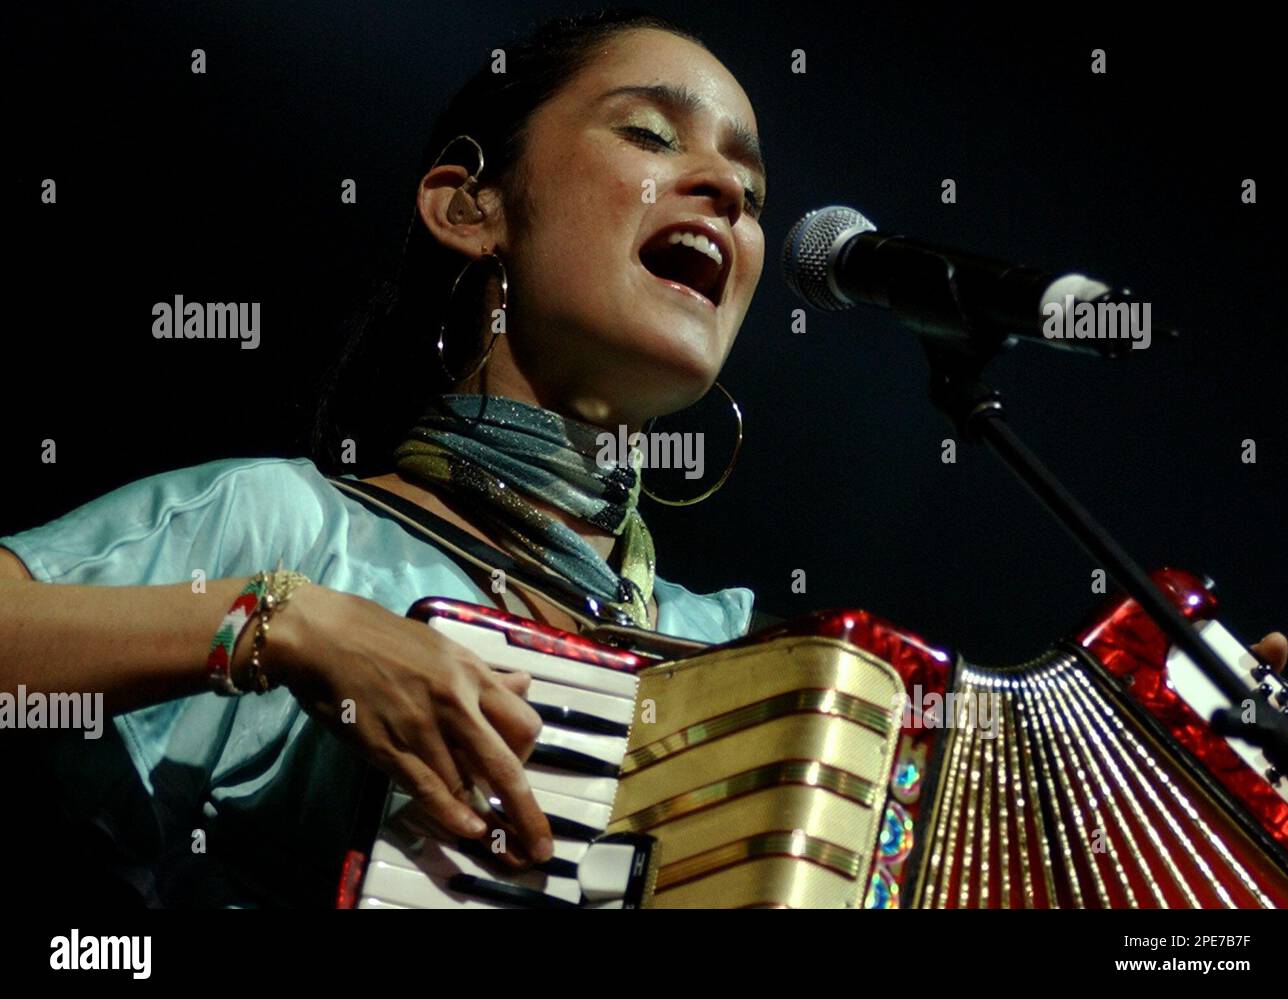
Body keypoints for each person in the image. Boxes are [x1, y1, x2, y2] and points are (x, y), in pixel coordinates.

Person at [0, 9, 764, 908]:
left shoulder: (730, 660)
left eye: (752, 195)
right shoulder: (297, 533)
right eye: (650, 134)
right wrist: (283, 626)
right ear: (468, 206)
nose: (721, 188)